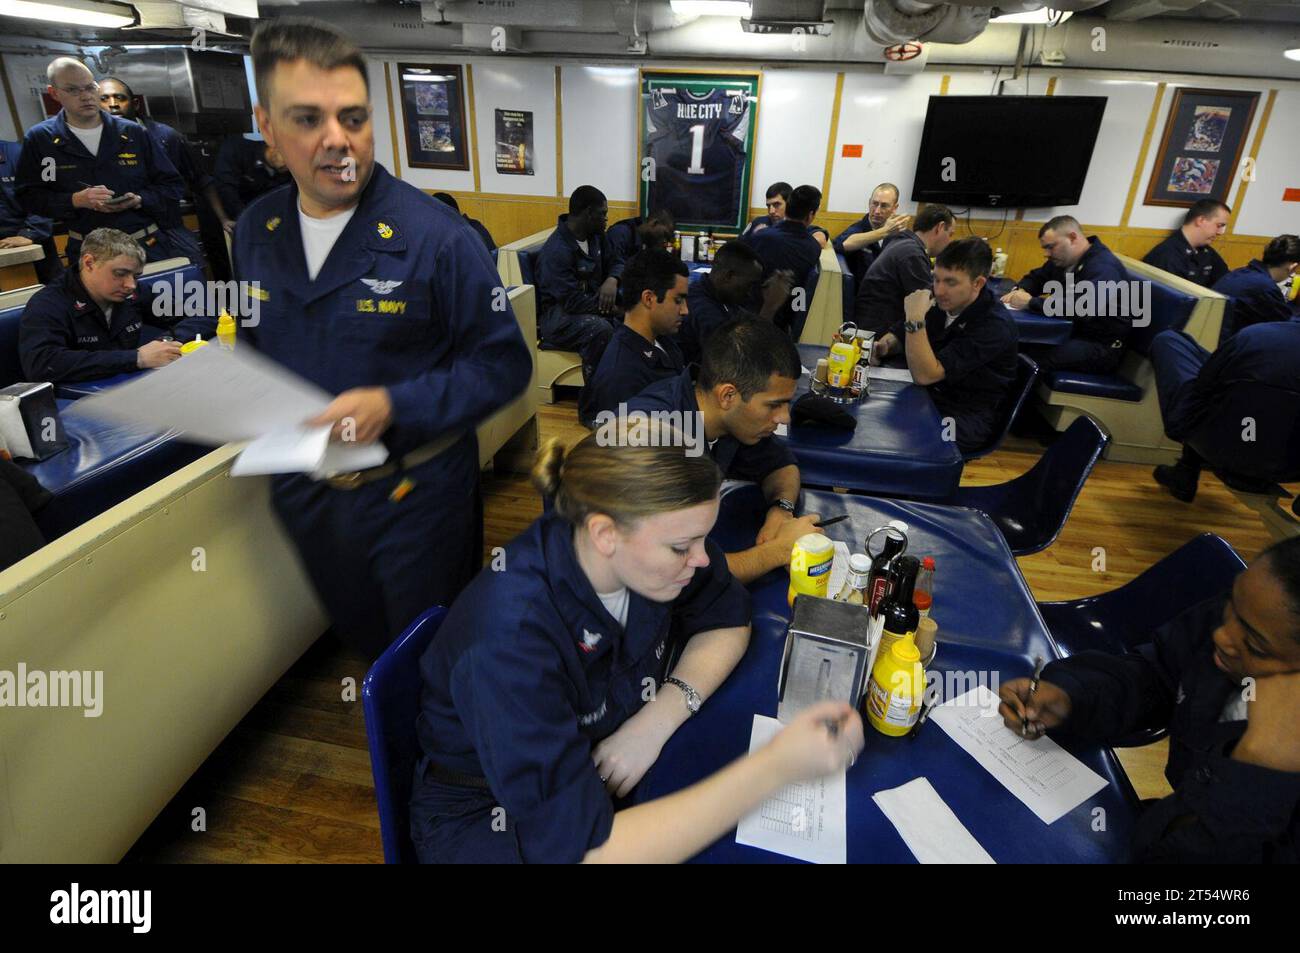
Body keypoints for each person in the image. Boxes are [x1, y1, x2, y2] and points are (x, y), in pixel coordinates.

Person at [411, 424, 864, 863]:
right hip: (492, 816)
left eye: (704, 537)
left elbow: (729, 618)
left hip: (598, 760)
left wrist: (660, 716)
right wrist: (773, 770)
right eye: (683, 546)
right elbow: (591, 850)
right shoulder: (510, 641)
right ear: (606, 534)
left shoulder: (649, 546)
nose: (704, 558)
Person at [230, 18, 530, 659]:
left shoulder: (436, 237)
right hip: (310, 496)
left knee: (429, 663)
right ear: (268, 127)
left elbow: (503, 364)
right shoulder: (256, 229)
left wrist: (395, 406)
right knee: (367, 650)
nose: (338, 141)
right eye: (308, 118)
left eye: (354, 117)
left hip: (413, 497)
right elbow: (257, 342)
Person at [1000, 536, 1300, 863]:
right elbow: (1158, 675)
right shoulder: (1250, 622)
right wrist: (1071, 694)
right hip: (1159, 826)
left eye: (1255, 646)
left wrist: (1255, 777)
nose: (1222, 635)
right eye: (1231, 604)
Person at [627, 319, 821, 584]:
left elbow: (781, 465)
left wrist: (781, 510)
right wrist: (778, 551)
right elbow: (678, 572)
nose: (785, 418)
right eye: (774, 405)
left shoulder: (726, 420)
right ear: (728, 395)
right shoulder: (655, 443)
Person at [15, 57, 192, 266]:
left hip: (144, 246)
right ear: (54, 93)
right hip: (89, 254)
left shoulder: (133, 133)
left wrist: (139, 199)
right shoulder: (42, 140)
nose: (86, 96)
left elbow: (172, 186)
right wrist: (75, 200)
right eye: (73, 90)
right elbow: (31, 196)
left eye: (90, 87)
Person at [870, 239, 1018, 454]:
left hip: (964, 418)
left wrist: (915, 318)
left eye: (950, 282)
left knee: (896, 439)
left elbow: (926, 375)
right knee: (870, 419)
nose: (939, 290)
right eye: (936, 279)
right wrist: (884, 346)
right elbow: (900, 335)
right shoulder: (940, 301)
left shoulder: (994, 325)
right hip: (929, 397)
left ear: (978, 283)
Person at [1149, 321, 1300, 503]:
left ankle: (1187, 468)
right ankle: (1185, 470)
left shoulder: (1253, 336)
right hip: (1289, 466)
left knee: (1170, 341)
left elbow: (1202, 387)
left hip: (1216, 443)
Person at [98, 76, 232, 277]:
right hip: (119, 235)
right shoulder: (94, 143)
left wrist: (223, 219)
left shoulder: (165, 136)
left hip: (168, 228)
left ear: (134, 103)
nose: (113, 104)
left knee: (192, 284)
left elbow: (201, 181)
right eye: (104, 99)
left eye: (119, 98)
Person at [19, 228, 185, 383]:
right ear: (89, 263)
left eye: (136, 276)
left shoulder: (134, 291)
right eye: (120, 274)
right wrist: (136, 358)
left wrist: (166, 343)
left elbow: (201, 313)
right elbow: (42, 364)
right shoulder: (49, 303)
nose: (131, 285)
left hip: (129, 383)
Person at [1003, 216, 1130, 373]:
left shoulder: (1103, 267)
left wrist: (1031, 302)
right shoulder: (1064, 259)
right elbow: (1037, 278)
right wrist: (1020, 290)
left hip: (1099, 346)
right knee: (1006, 345)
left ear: (1072, 238)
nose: (1047, 253)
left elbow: (1083, 308)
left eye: (1051, 247)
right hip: (1068, 332)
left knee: (1021, 359)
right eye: (1045, 248)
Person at [579, 248, 687, 427]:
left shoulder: (662, 340)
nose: (685, 310)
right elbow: (626, 450)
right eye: (678, 300)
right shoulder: (621, 376)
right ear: (649, 298)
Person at [535, 185, 617, 367]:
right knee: (601, 329)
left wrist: (613, 280)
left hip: (590, 304)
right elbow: (572, 301)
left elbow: (617, 262)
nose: (606, 219)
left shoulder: (596, 237)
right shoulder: (556, 252)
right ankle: (596, 387)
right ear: (589, 213)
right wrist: (615, 308)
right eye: (602, 213)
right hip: (559, 317)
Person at [679, 240, 792, 367]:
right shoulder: (703, 310)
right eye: (749, 285)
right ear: (729, 276)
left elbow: (748, 325)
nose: (749, 292)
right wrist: (769, 308)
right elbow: (736, 362)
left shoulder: (719, 295)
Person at [852, 203, 954, 336]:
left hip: (869, 323)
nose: (950, 240)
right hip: (879, 334)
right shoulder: (913, 254)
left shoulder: (900, 240)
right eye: (950, 234)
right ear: (939, 228)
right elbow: (927, 304)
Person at [741, 184, 823, 338]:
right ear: (811, 215)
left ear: (788, 206)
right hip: (786, 320)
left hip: (749, 316)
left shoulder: (761, 236)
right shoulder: (813, 247)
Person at [1212, 234, 1300, 343]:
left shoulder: (1240, 272)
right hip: (1228, 344)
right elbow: (1286, 325)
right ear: (1293, 266)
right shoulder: (1265, 287)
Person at [0, 139, 62, 284]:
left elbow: (43, 196)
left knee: (54, 293)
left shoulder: (18, 153)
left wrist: (30, 232)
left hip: (31, 240)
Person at [832, 182, 912, 286]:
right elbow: (840, 245)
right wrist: (885, 231)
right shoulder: (858, 229)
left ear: (894, 208)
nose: (877, 211)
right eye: (874, 203)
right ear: (869, 202)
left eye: (884, 206)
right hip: (865, 295)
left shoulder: (901, 235)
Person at [1143, 199, 1230, 288]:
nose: (1220, 232)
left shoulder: (1206, 251)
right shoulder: (1167, 255)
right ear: (1201, 220)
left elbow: (1227, 282)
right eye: (1219, 225)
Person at [214, 134, 292, 224]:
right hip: (234, 220)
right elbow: (227, 192)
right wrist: (249, 222)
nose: (289, 164)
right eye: (288, 155)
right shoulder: (239, 151)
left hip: (271, 221)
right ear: (273, 145)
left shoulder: (290, 172)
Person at [604, 209, 673, 283]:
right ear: (654, 223)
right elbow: (615, 264)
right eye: (664, 234)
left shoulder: (644, 241)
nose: (664, 241)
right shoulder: (620, 232)